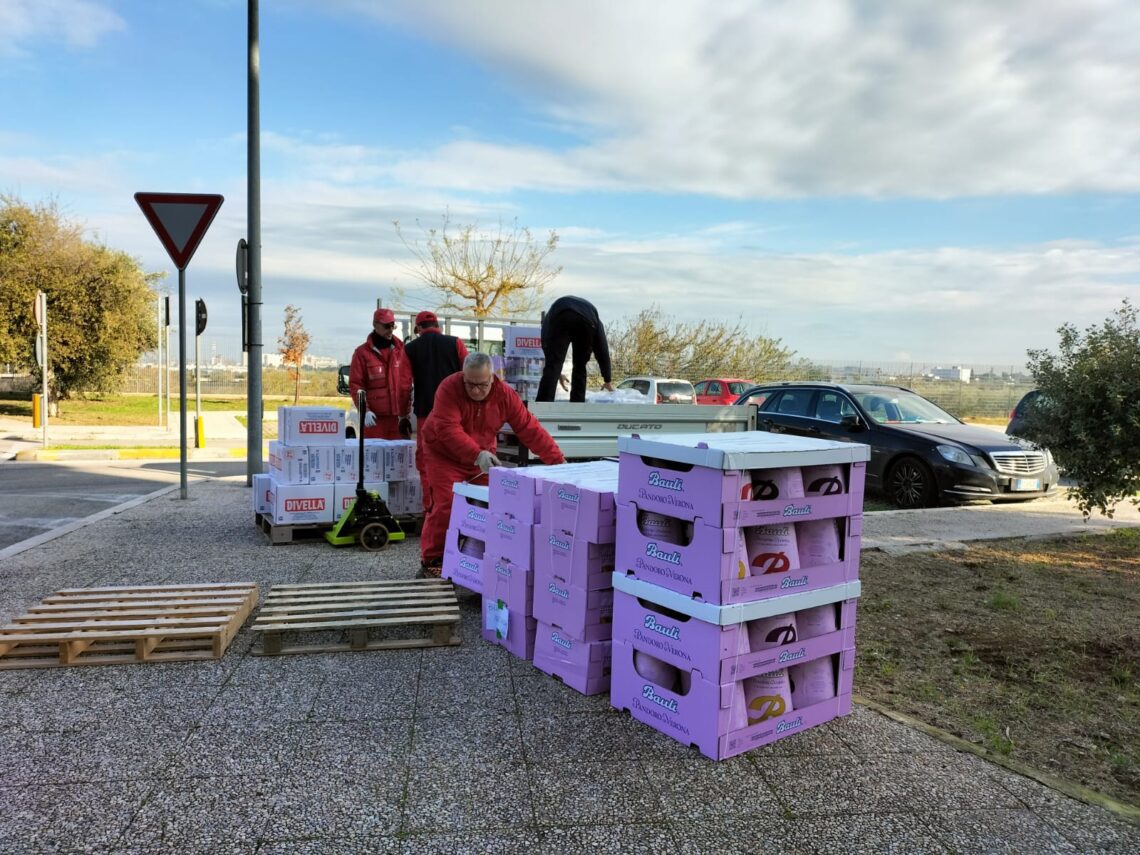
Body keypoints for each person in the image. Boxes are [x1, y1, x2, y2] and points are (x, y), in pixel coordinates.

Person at [417, 352, 565, 577]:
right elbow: (447, 429)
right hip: (443, 453)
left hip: (483, 455)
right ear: (463, 376)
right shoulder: (448, 388)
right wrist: (477, 454)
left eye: (482, 385)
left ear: (493, 378)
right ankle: (433, 559)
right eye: (470, 384)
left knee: (493, 504)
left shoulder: (505, 395)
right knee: (446, 503)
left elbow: (529, 428)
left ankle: (481, 557)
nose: (476, 390)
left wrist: (558, 462)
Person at [403, 310, 469, 509]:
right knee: (459, 457)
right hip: (455, 415)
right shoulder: (455, 343)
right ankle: (460, 509)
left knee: (427, 461)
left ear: (418, 328)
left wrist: (402, 414)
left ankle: (431, 508)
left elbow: (403, 386)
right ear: (438, 326)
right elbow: (470, 375)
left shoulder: (410, 349)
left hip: (426, 414)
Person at [535, 295, 616, 403]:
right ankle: (577, 404)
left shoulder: (550, 315)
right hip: (587, 321)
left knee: (553, 366)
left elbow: (546, 339)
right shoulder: (595, 316)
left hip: (560, 314)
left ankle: (543, 405)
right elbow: (602, 348)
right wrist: (607, 379)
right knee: (580, 366)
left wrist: (555, 369)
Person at [348, 307, 412, 440]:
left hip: (399, 420)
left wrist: (406, 414)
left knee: (400, 453)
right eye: (387, 326)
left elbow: (408, 382)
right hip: (374, 420)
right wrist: (365, 411)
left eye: (393, 325)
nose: (390, 329)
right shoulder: (362, 354)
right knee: (375, 453)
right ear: (375, 325)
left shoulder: (401, 350)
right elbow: (356, 385)